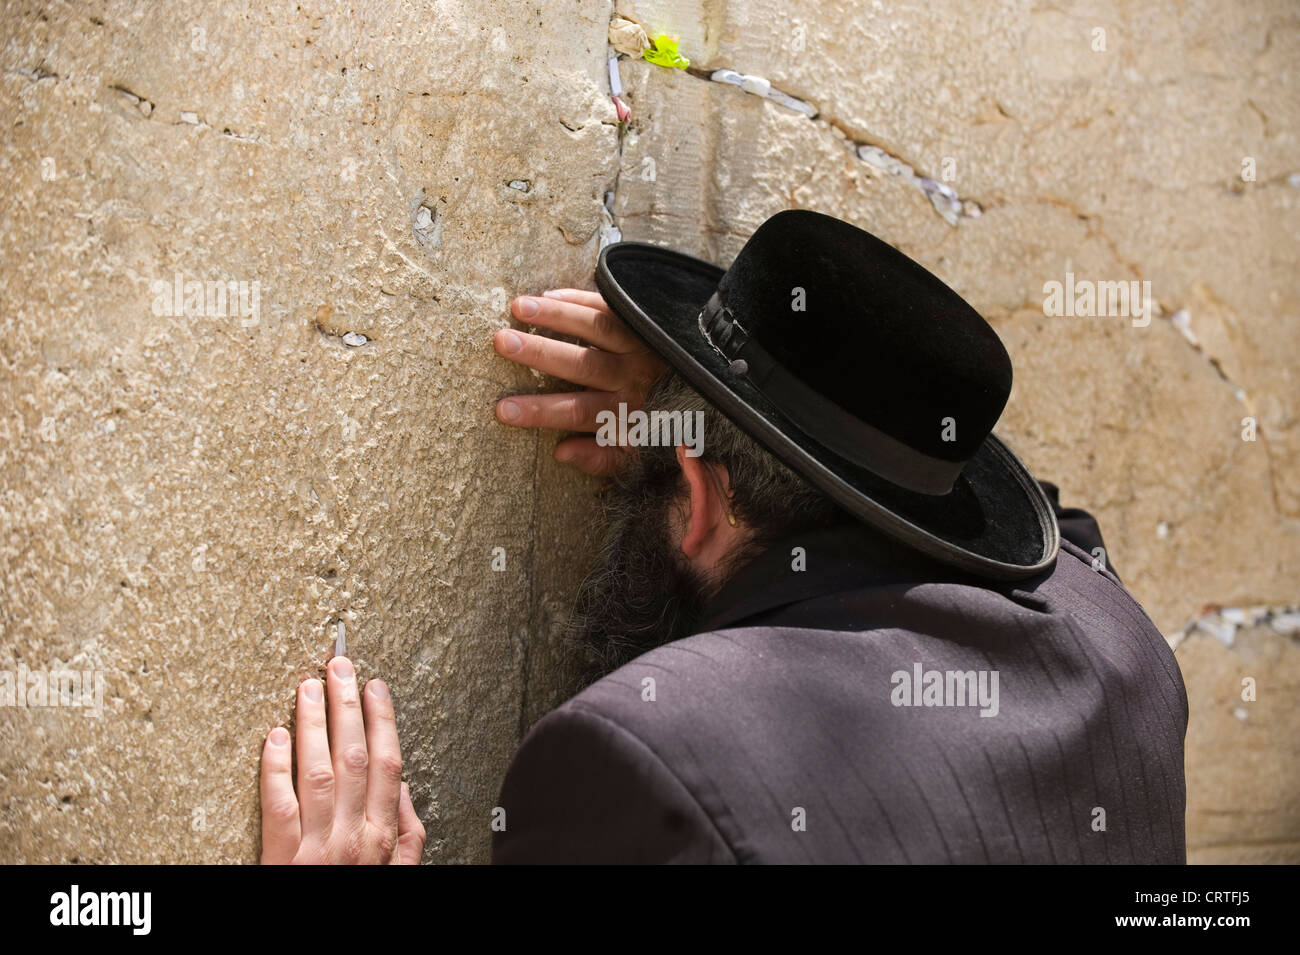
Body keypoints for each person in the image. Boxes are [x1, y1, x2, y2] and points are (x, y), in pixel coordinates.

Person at [259, 210, 1188, 864]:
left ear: (697, 491)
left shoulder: (646, 757)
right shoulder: (1125, 648)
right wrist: (710, 422)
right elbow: (1050, 526)